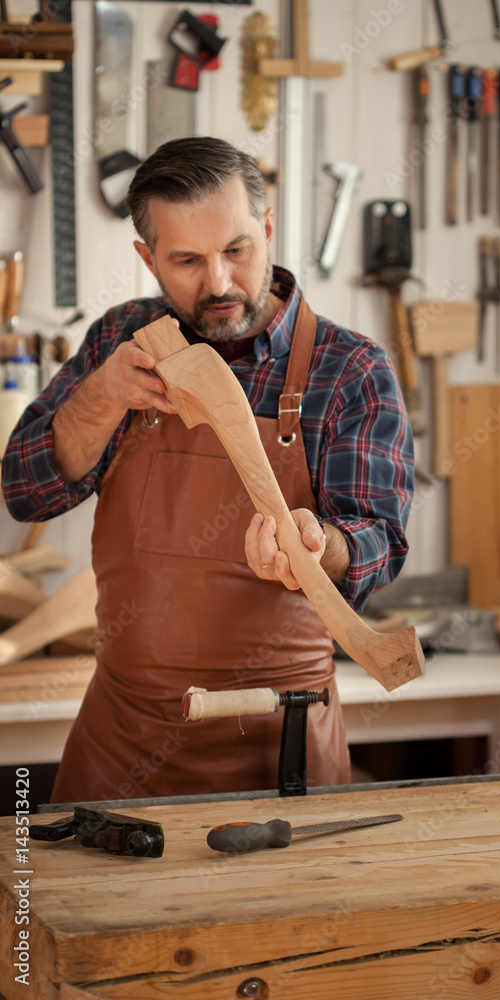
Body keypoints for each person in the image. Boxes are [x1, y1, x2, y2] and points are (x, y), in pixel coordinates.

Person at [2, 136, 414, 804]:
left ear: (268, 228)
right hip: (125, 734)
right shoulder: (122, 341)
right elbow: (25, 491)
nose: (218, 283)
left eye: (236, 250)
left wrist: (319, 543)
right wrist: (103, 395)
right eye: (187, 260)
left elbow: (379, 541)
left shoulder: (350, 369)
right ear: (148, 258)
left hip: (284, 737)